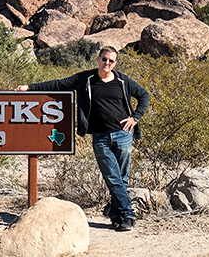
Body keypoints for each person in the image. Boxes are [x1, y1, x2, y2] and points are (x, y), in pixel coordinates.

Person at [15, 45, 149, 231]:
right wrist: (29, 88)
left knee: (121, 178)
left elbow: (144, 95)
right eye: (104, 59)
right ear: (98, 59)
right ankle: (128, 215)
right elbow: (58, 84)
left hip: (123, 135)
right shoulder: (85, 79)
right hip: (100, 137)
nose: (107, 63)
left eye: (111, 60)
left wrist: (135, 117)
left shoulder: (122, 81)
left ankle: (117, 215)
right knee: (113, 176)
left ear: (115, 63)